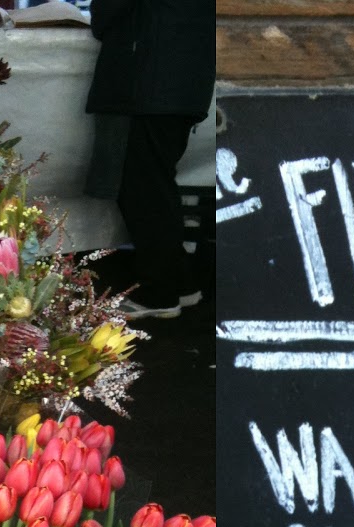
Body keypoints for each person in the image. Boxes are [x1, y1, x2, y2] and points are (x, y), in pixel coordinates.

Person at [86, 0, 215, 319]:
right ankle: (180, 283)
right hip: (180, 81)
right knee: (156, 187)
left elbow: (105, 14)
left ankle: (160, 294)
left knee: (143, 192)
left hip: (146, 81)